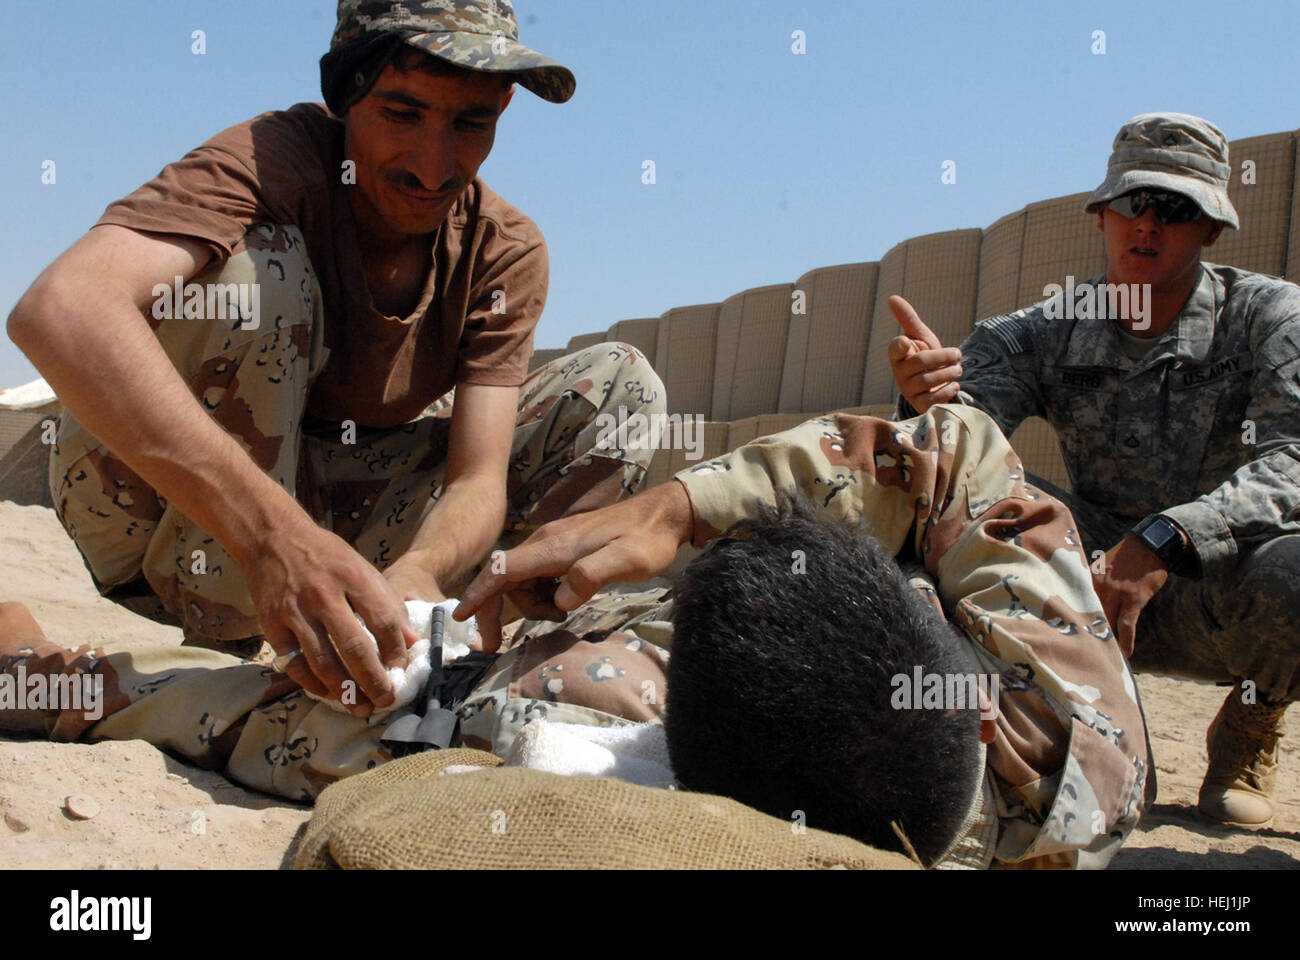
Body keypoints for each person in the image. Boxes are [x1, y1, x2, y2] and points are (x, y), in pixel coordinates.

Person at [6, 0, 664, 720]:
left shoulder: (501, 250)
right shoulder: (273, 159)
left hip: (327, 516)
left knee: (617, 387)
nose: (432, 165)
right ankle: (222, 638)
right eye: (402, 113)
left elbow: (478, 476)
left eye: (470, 124)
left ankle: (460, 648)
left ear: (504, 107)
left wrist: (421, 568)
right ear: (343, 95)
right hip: (156, 518)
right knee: (261, 278)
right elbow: (62, 309)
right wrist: (275, 540)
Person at [457, 405, 1154, 868]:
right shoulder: (1076, 734)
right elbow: (958, 441)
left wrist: (683, 509)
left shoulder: (565, 706)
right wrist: (677, 510)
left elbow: (437, 692)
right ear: (976, 707)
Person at [886, 113, 1300, 827]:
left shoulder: (1269, 317)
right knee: (935, 499)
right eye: (1133, 203)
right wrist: (924, 398)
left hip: (1220, 586)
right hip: (1087, 584)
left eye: (1175, 209)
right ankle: (1059, 720)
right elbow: (954, 444)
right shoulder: (1040, 331)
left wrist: (1167, 539)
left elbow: (1295, 458)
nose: (1148, 224)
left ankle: (1251, 725)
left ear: (1211, 229)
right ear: (1101, 216)